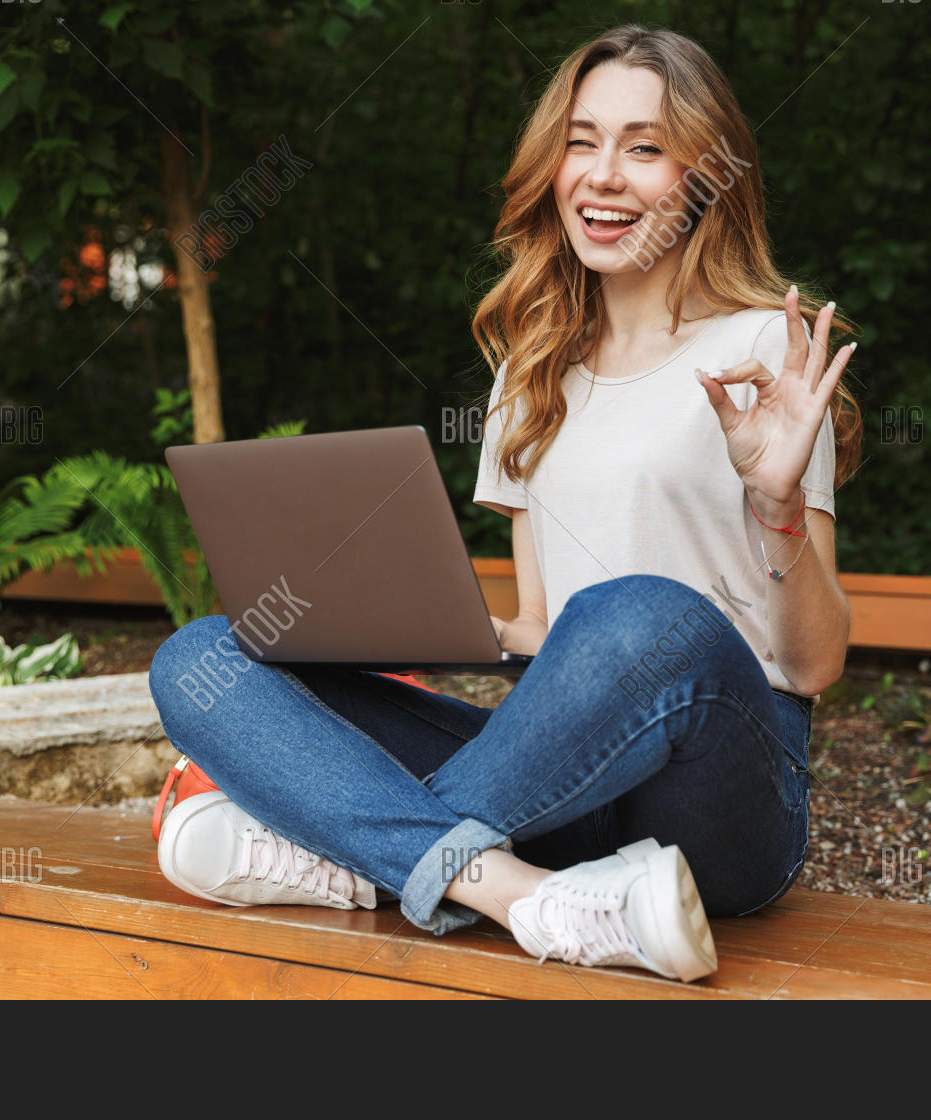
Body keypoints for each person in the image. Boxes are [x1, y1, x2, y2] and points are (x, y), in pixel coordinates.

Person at [147, 23, 862, 984]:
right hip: (569, 788)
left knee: (642, 614)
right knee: (199, 658)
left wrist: (774, 501)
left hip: (726, 798)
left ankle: (349, 854)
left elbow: (814, 665)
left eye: (644, 148)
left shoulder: (765, 353)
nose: (603, 175)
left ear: (704, 178)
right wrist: (376, 627)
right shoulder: (532, 375)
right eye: (581, 141)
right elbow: (540, 629)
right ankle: (521, 896)